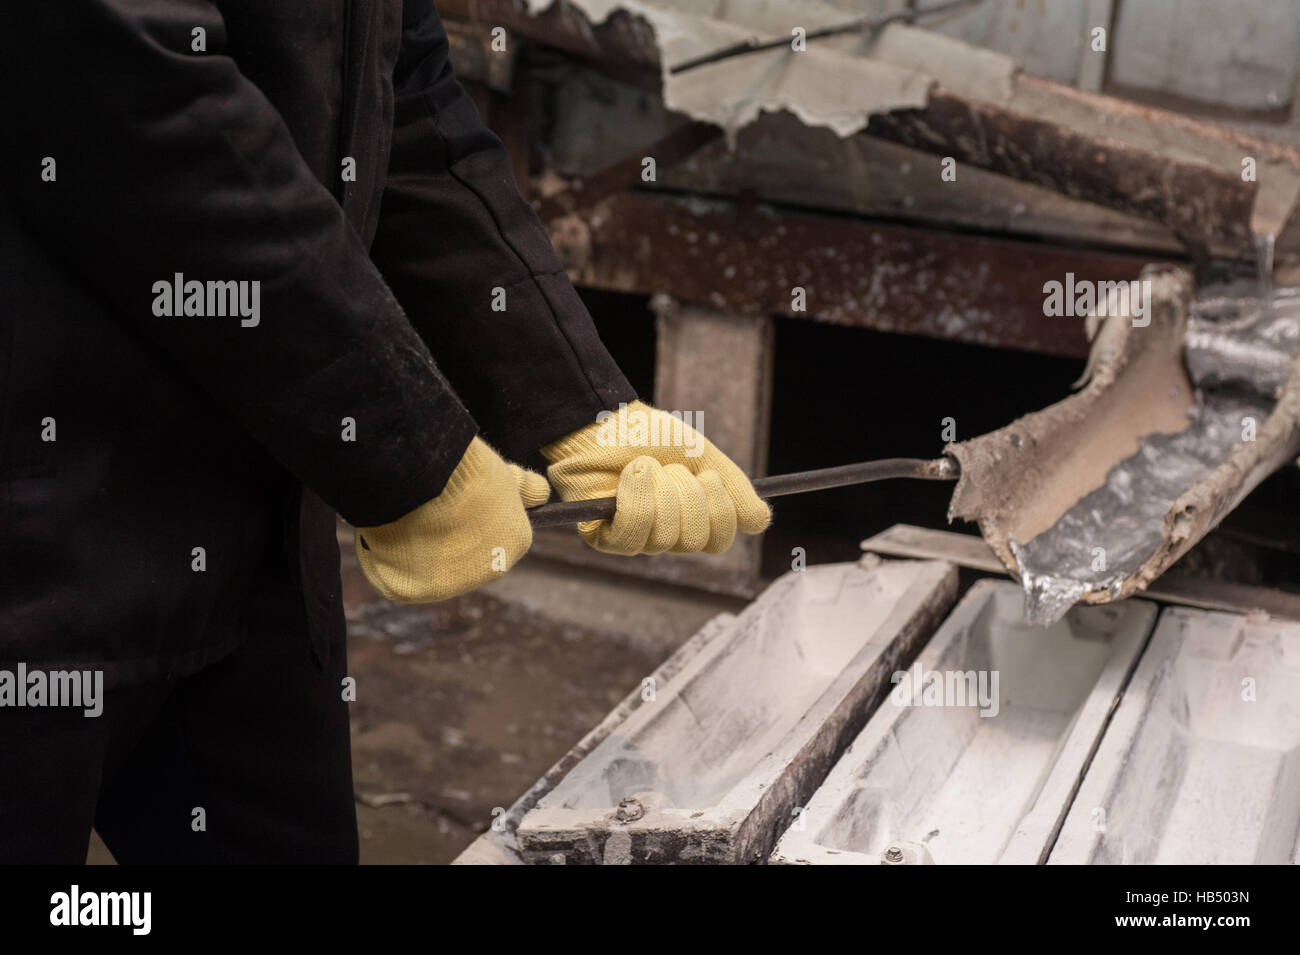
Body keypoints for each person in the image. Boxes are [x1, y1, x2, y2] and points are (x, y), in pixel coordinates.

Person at [0, 0, 767, 863]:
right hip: (34, 531)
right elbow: (135, 102)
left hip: (251, 525)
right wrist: (409, 449)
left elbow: (405, 101)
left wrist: (579, 403)